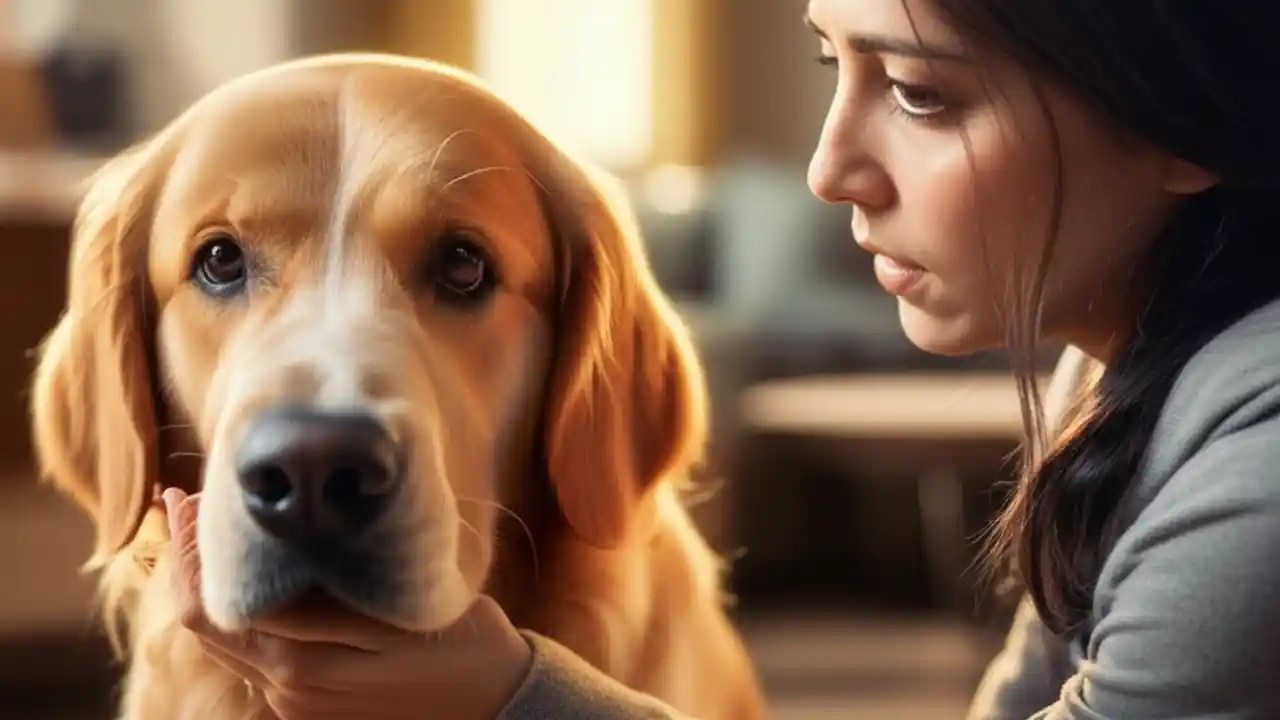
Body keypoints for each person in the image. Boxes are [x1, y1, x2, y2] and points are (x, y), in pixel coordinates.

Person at [165, 0, 1280, 717]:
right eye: (828, 63)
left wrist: (506, 698)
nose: (827, 167)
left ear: (1184, 121)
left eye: (917, 93)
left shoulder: (1260, 471)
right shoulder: (1129, 362)